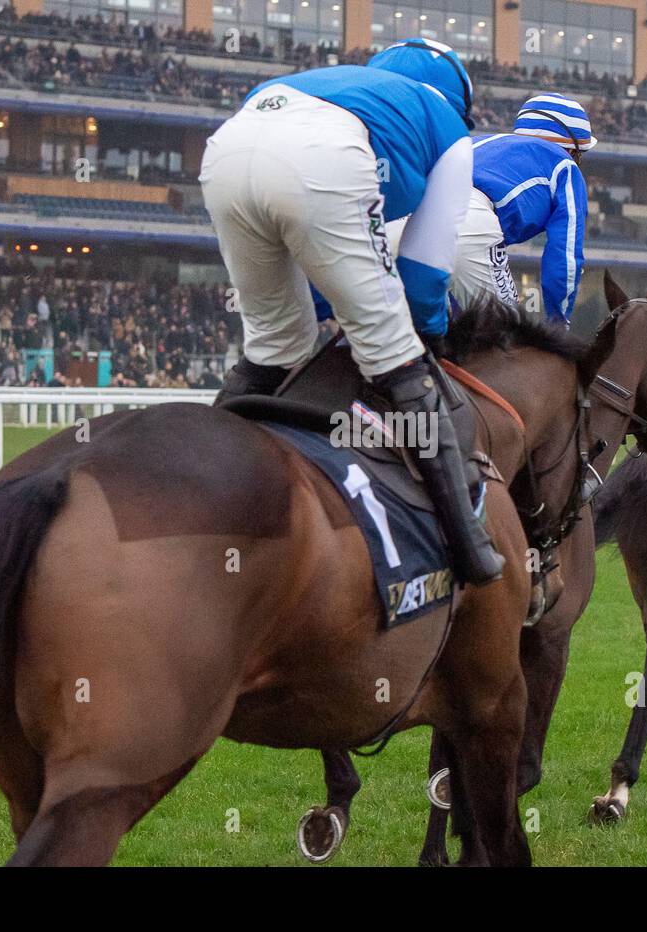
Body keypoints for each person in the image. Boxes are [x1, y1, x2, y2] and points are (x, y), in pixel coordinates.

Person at [200, 38, 502, 584]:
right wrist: (426, 343)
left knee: (274, 345)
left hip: (228, 147)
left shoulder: (345, 88)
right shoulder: (450, 133)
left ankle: (192, 477)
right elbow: (424, 274)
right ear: (460, 103)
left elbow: (328, 270)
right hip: (322, 158)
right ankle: (470, 545)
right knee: (395, 355)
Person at [392, 93, 592, 323]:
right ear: (572, 150)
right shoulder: (565, 165)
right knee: (511, 340)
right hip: (469, 218)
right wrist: (559, 322)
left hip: (403, 219)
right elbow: (565, 256)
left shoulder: (479, 142)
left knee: (419, 336)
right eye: (580, 155)